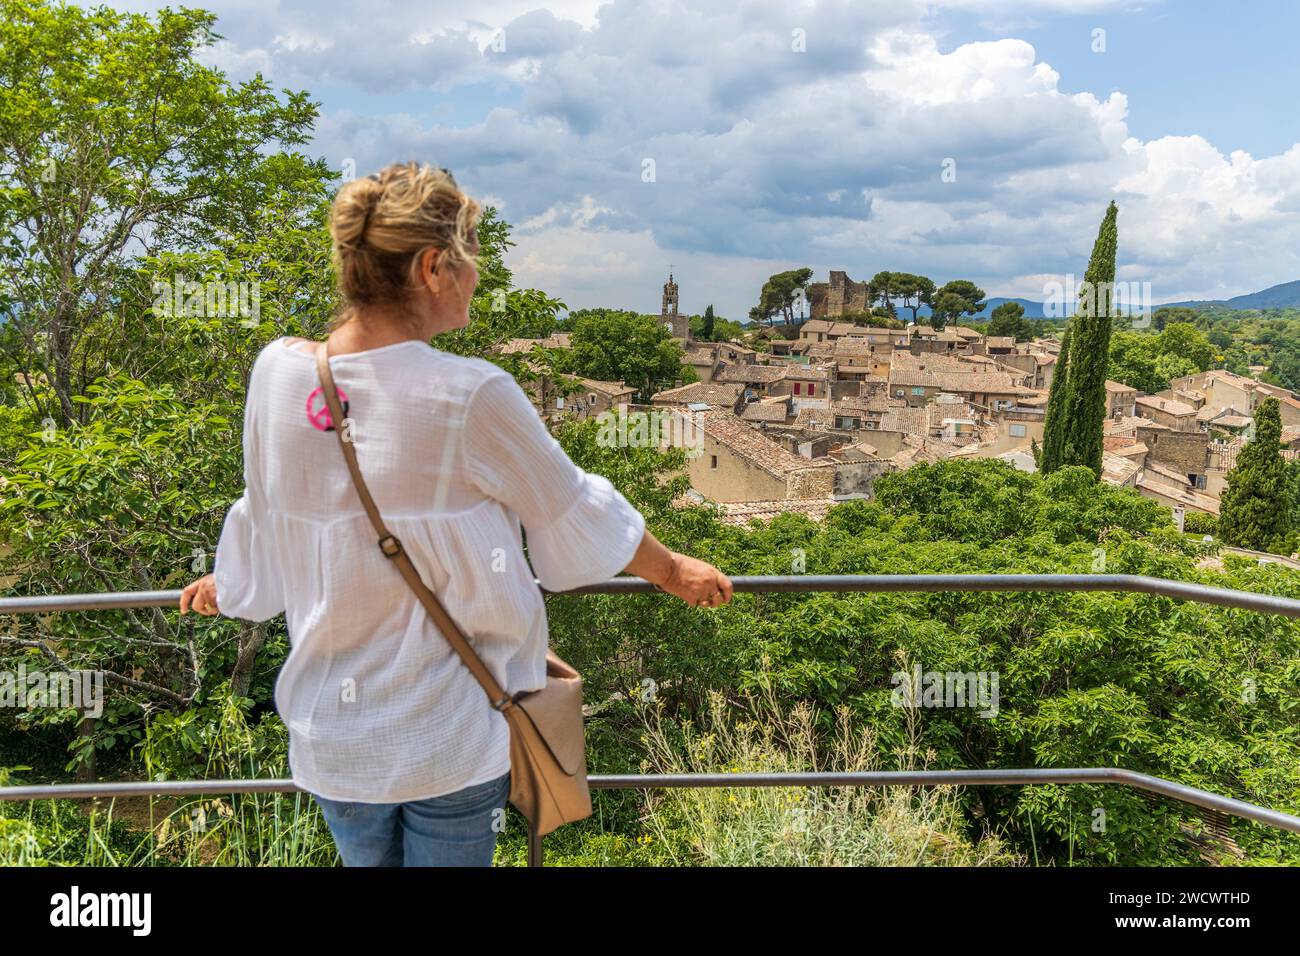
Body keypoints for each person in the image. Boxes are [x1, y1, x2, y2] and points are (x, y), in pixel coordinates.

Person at [179, 160, 732, 867]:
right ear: (434, 267)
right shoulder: (470, 393)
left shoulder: (278, 372)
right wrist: (672, 569)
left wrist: (236, 581)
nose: (478, 276)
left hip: (334, 736)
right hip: (451, 733)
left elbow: (271, 509)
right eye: (472, 259)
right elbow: (571, 510)